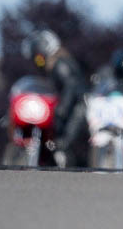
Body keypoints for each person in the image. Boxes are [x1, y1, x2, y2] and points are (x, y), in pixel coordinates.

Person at [25, 28, 87, 165]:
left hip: (77, 111)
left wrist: (60, 111)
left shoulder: (60, 64)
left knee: (61, 145)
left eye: (38, 56)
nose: (37, 61)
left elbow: (71, 89)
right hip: (72, 109)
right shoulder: (57, 64)